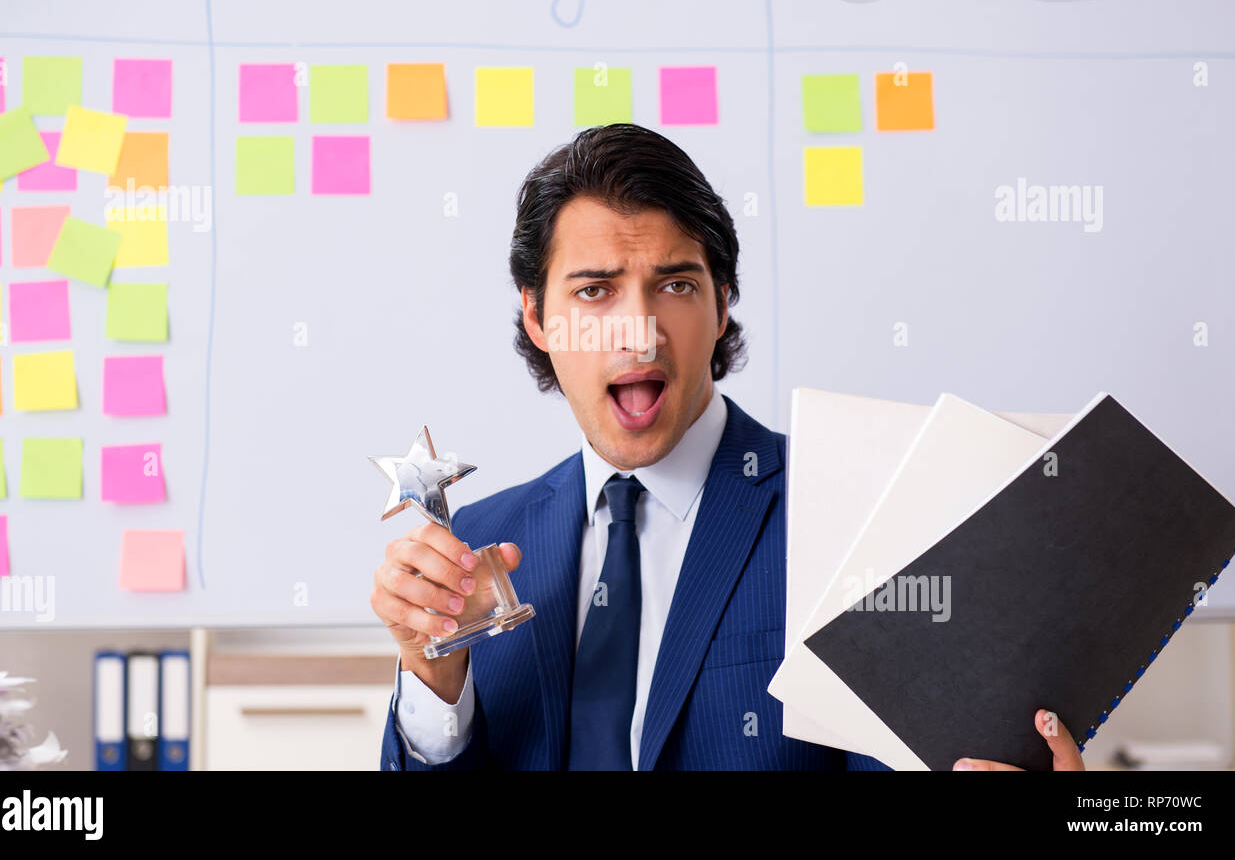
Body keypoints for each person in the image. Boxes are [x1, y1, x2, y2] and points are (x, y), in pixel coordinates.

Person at [370, 123, 1084, 771]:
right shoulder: (478, 547)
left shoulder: (851, 511)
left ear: (721, 302)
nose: (639, 332)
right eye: (595, 292)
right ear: (537, 315)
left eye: (675, 284)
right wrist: (431, 673)